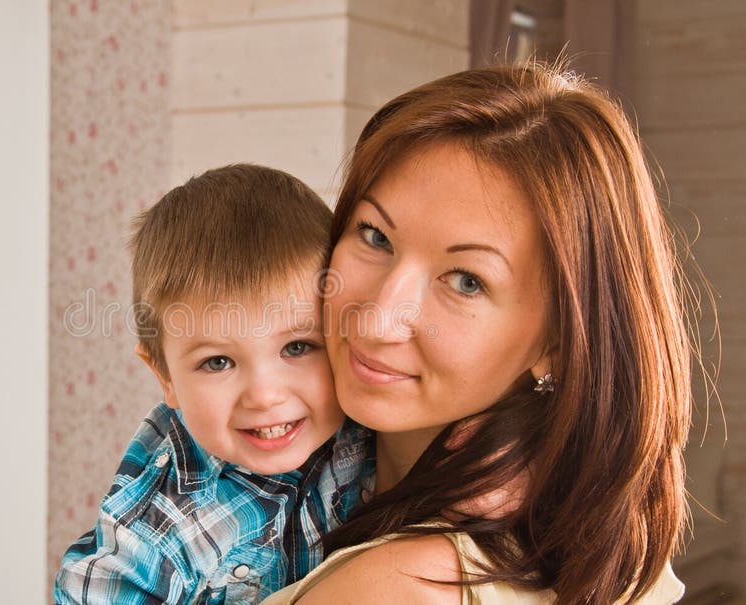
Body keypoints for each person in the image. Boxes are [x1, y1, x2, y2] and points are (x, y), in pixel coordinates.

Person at [262, 63, 693, 604]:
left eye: (466, 281)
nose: (376, 319)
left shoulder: (401, 589)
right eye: (374, 236)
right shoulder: (601, 544)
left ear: (559, 342)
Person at [54, 164, 376, 605]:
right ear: (165, 377)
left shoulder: (371, 425)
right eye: (218, 361)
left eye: (298, 347)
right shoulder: (161, 521)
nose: (265, 395)